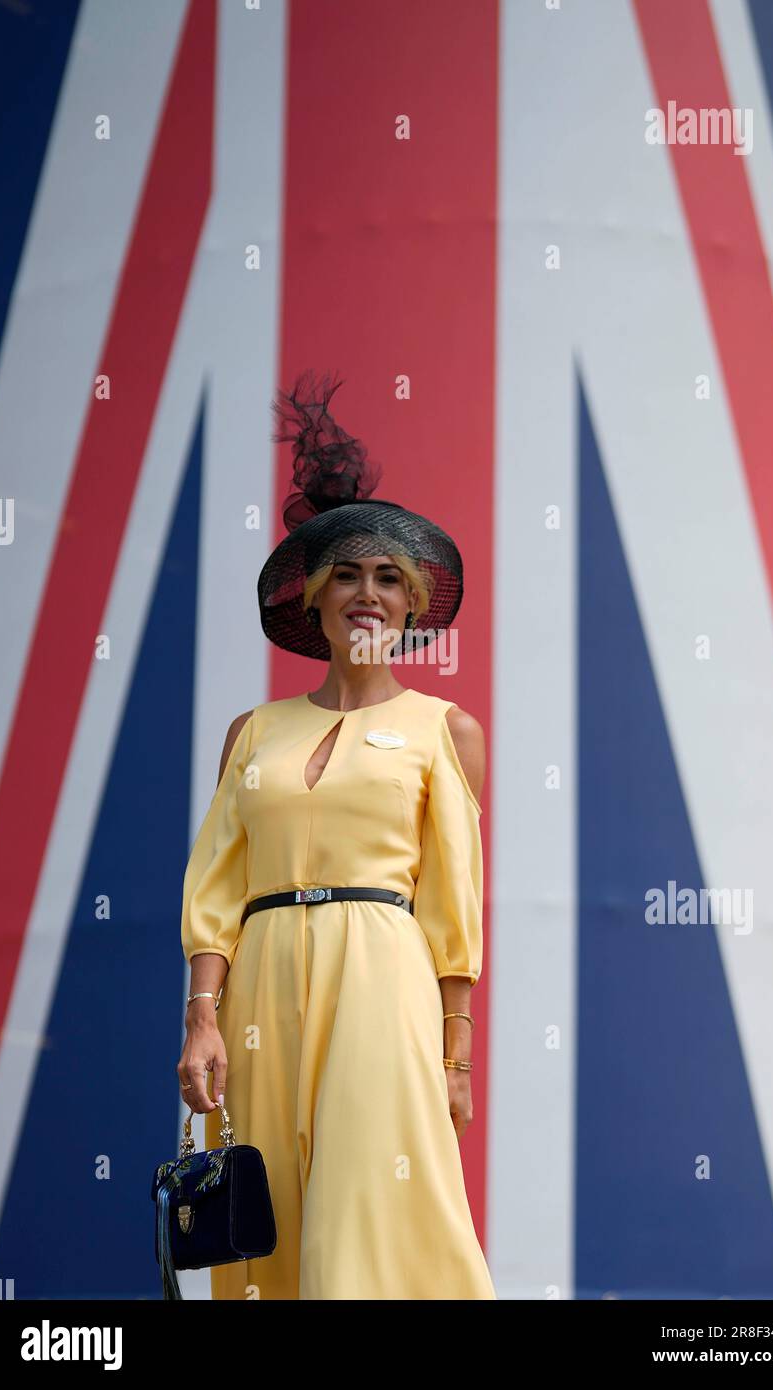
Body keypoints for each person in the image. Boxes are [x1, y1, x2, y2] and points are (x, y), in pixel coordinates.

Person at [177, 372, 496, 1299]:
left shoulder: (448, 731)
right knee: (261, 1227)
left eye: (389, 578)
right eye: (348, 574)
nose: (368, 593)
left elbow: (452, 906)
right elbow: (216, 889)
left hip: (382, 977)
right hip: (258, 990)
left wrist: (457, 1058)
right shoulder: (253, 732)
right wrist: (201, 1020)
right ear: (313, 601)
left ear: (409, 608)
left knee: (377, 1210)